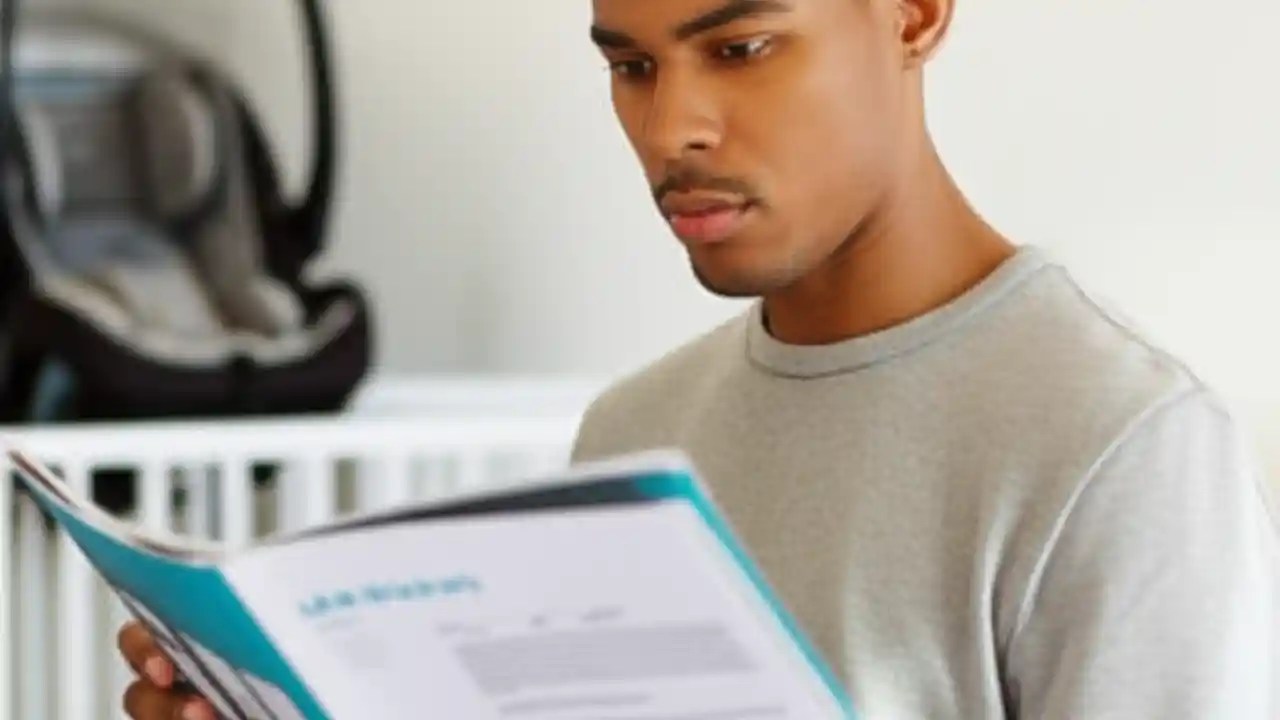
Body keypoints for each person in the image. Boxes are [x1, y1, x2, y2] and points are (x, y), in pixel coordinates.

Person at [117, 0, 1280, 717]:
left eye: (741, 45)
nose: (671, 128)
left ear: (915, 11)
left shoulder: (1118, 443)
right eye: (630, 66)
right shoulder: (633, 431)